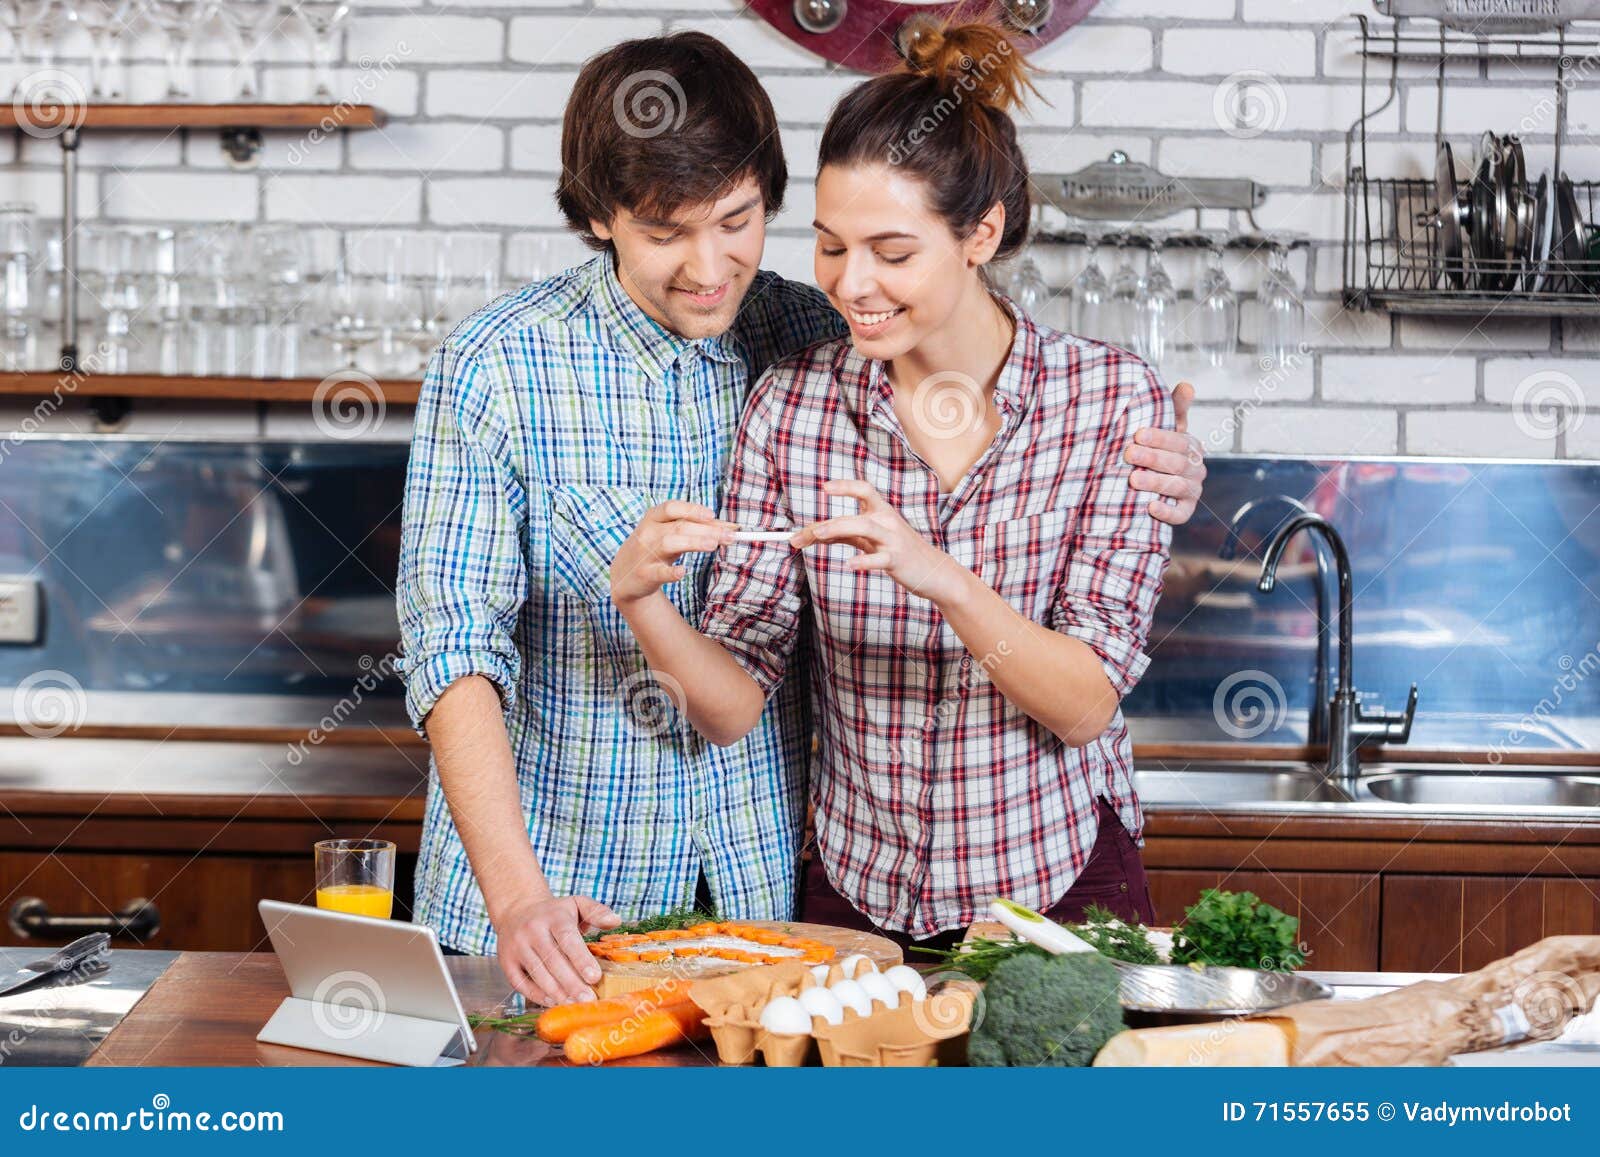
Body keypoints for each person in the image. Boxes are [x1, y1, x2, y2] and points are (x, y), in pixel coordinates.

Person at [396, 30, 1207, 1007]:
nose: (708, 266)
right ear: (597, 219)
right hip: (563, 890)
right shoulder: (501, 365)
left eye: (738, 221)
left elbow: (954, 325)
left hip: (765, 887)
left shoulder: (811, 330)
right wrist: (518, 896)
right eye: (664, 234)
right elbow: (452, 644)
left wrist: (1159, 465)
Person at [611, 21, 1169, 952]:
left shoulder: (1109, 402)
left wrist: (936, 571)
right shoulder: (795, 407)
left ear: (980, 233)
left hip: (1060, 885)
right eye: (830, 246)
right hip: (853, 892)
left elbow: (1083, 705)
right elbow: (736, 700)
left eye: (891, 251)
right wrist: (642, 604)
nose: (851, 282)